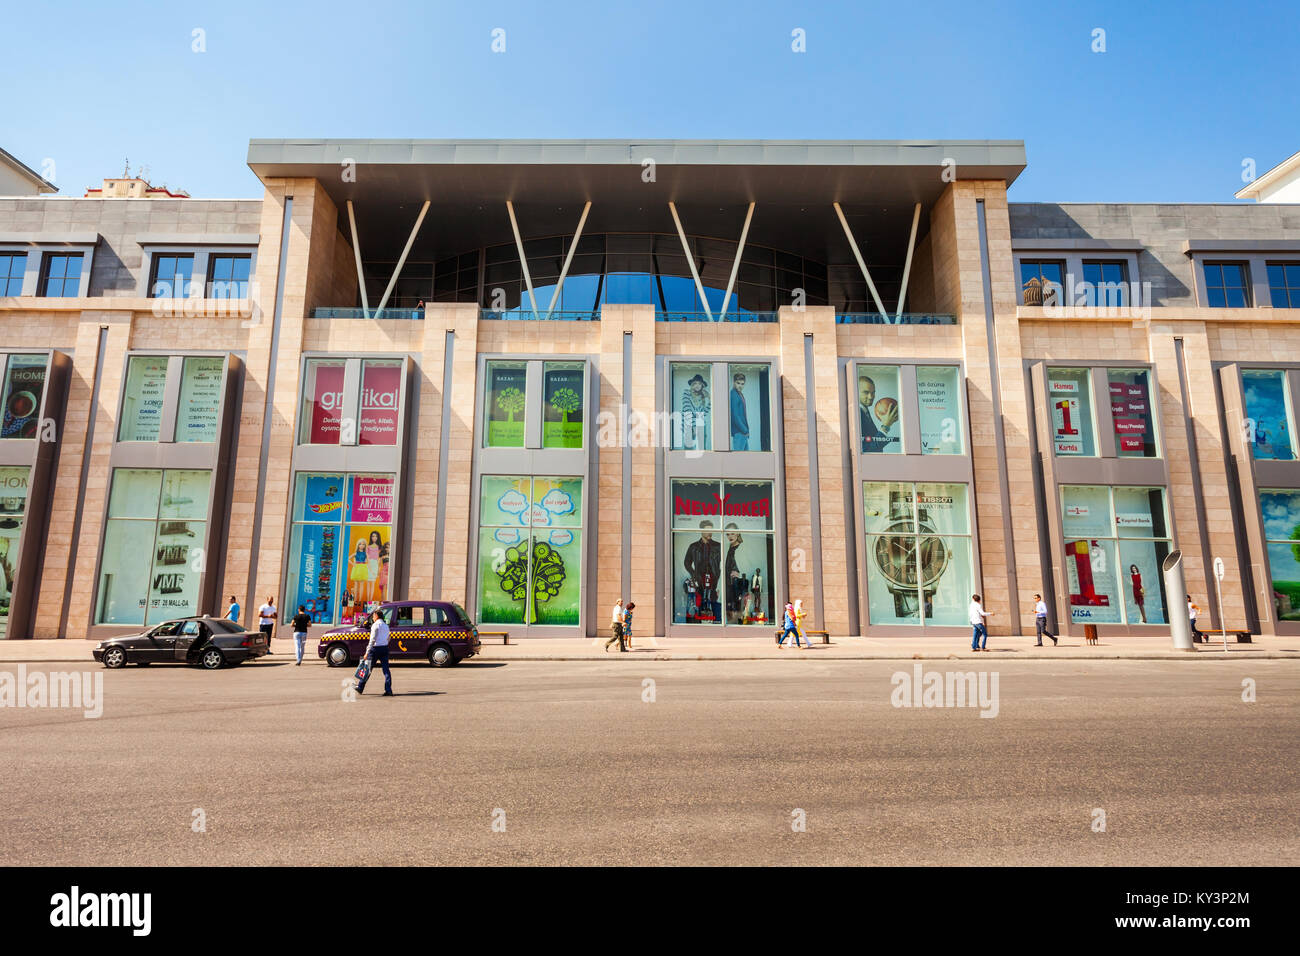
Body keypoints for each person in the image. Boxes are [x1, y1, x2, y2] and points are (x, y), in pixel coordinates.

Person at [684, 520, 722, 620]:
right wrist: (694, 574)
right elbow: (687, 562)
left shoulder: (718, 546)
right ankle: (699, 626)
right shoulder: (694, 547)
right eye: (707, 530)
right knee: (699, 602)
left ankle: (717, 625)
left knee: (714, 603)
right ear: (701, 531)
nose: (710, 533)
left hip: (714, 580)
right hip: (699, 580)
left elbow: (725, 562)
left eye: (711, 530)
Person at [858, 374, 899, 453]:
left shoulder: (865, 411)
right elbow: (869, 450)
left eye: (873, 393)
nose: (871, 397)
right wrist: (886, 426)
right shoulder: (857, 414)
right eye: (866, 392)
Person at [364, 609, 393, 696]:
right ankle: (388, 690)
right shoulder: (386, 626)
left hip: (375, 649)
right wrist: (385, 643)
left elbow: (372, 640)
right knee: (386, 670)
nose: (373, 617)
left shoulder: (375, 625)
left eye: (373, 616)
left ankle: (360, 687)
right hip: (384, 648)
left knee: (368, 668)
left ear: (376, 616)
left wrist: (367, 652)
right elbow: (389, 637)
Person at [680, 373, 710, 450]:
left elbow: (704, 413)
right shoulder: (687, 393)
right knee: (688, 450)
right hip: (689, 424)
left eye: (699, 384)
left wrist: (709, 399)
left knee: (702, 450)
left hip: (700, 425)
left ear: (702, 386)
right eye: (695, 383)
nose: (697, 385)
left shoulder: (701, 397)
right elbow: (687, 410)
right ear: (692, 385)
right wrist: (693, 427)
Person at [724, 523, 746, 622]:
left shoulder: (742, 548)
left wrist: (740, 574)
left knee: (738, 608)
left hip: (737, 584)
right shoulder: (727, 548)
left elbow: (747, 565)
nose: (730, 536)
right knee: (728, 609)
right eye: (728, 534)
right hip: (727, 584)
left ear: (737, 533)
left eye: (732, 533)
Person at [730, 371, 750, 450]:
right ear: (734, 382)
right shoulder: (733, 394)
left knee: (745, 459)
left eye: (742, 384)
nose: (740, 386)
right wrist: (745, 430)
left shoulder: (740, 394)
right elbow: (735, 415)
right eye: (738, 383)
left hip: (743, 432)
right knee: (738, 459)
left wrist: (746, 431)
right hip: (739, 432)